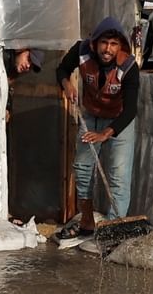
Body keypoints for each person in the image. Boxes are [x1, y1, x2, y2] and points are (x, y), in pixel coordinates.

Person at [55, 16, 139, 237]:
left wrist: (105, 134)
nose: (107, 49)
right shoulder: (82, 51)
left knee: (118, 175)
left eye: (113, 44)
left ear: (120, 46)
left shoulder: (129, 66)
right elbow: (62, 70)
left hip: (119, 121)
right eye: (104, 43)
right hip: (91, 114)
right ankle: (87, 221)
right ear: (95, 43)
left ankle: (112, 229)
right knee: (82, 168)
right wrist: (67, 84)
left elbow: (131, 110)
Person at [3, 48, 43, 122]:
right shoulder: (3, 58)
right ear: (22, 50)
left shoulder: (11, 73)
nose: (28, 66)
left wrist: (6, 109)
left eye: (31, 66)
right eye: (28, 59)